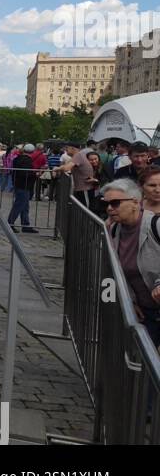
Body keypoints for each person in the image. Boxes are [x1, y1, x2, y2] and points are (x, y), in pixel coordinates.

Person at [102, 179, 160, 346]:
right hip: (144, 311)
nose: (109, 208)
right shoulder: (114, 229)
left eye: (115, 203)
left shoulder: (155, 225)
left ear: (135, 202)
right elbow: (111, 272)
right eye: (106, 204)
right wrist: (126, 302)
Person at [9, 144, 39, 234]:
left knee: (25, 206)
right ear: (32, 152)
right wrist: (35, 174)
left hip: (18, 184)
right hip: (24, 185)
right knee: (19, 205)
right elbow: (25, 173)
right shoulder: (27, 161)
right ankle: (10, 223)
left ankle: (25, 224)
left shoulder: (17, 159)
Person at [58, 142, 96, 206]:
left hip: (84, 189)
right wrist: (59, 168)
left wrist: (56, 169)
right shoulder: (78, 155)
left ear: (73, 148)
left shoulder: (78, 155)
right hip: (82, 189)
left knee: (85, 210)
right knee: (81, 210)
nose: (65, 149)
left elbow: (66, 168)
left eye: (67, 148)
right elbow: (65, 165)